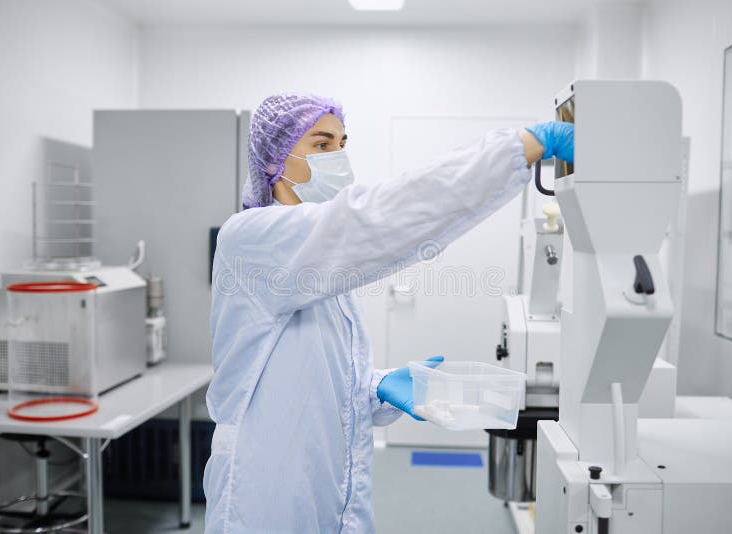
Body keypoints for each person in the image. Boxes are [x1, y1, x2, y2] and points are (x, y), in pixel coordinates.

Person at [204, 93, 573, 534]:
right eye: (322, 145)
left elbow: (308, 374)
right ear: (272, 161)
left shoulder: (314, 264)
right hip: (266, 488)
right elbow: (382, 216)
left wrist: (376, 385)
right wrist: (524, 146)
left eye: (342, 144)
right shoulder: (253, 238)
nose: (338, 158)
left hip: (318, 480)